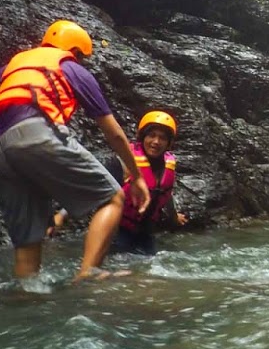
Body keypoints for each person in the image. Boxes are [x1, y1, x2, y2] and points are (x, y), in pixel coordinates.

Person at [0, 19, 150, 281]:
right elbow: (114, 134)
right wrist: (136, 176)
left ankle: (27, 295)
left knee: (28, 242)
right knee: (112, 198)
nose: (80, 62)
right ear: (75, 51)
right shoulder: (71, 68)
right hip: (36, 135)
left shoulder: (13, 66)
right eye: (81, 57)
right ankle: (88, 273)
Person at [52, 109, 186, 255]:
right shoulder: (123, 163)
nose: (156, 142)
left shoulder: (168, 164)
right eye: (151, 135)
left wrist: (174, 217)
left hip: (146, 231)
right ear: (143, 137)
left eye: (162, 138)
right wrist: (62, 215)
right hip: (118, 230)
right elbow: (93, 187)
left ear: (168, 143)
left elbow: (164, 193)